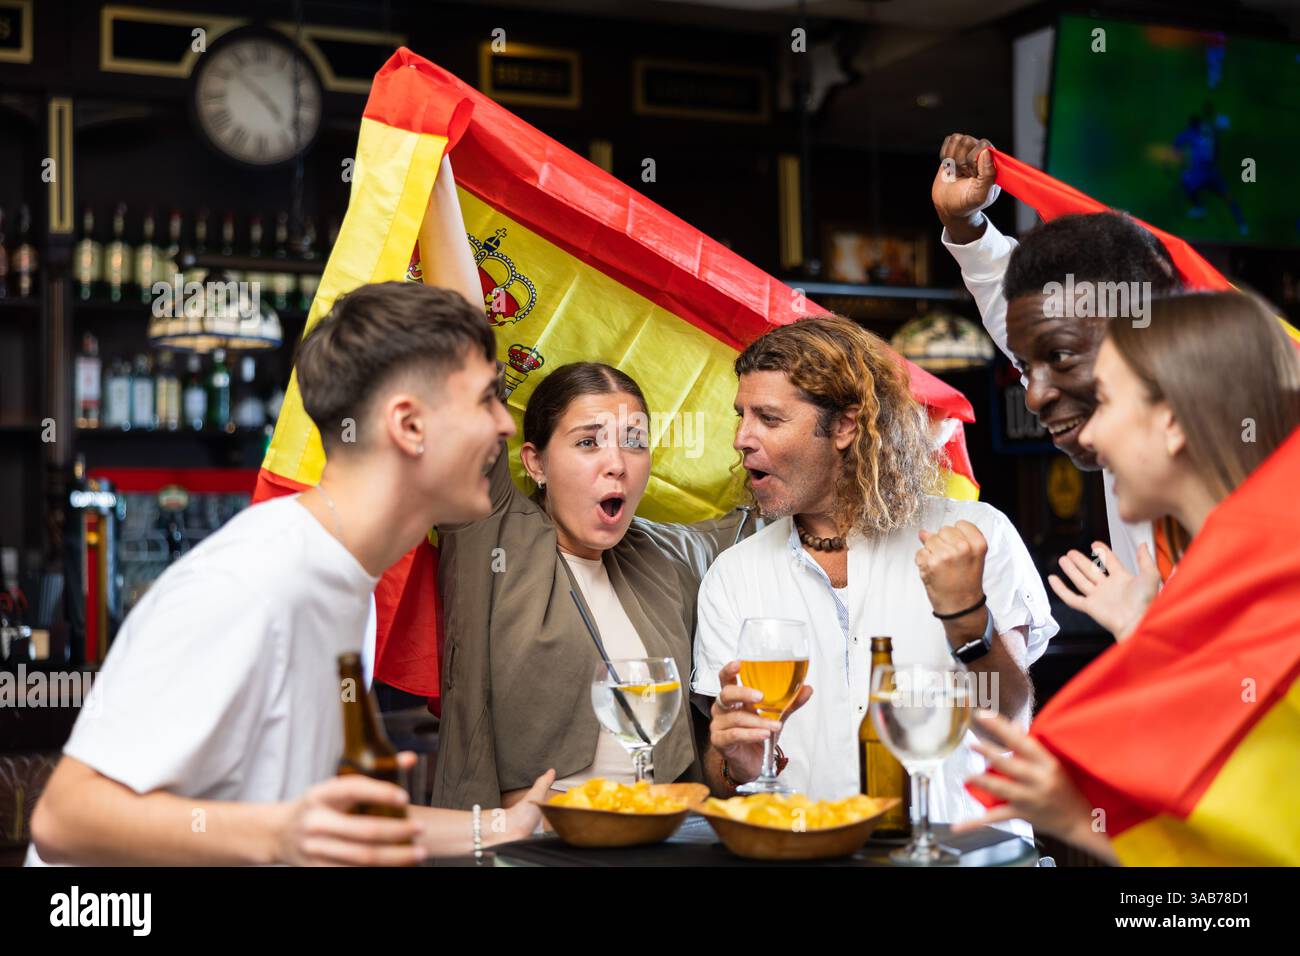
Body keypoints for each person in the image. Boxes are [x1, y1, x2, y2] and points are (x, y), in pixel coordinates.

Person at [29, 278, 553, 866]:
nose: (506, 426)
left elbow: (320, 816)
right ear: (408, 425)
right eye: (486, 399)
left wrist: (508, 825)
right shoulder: (253, 581)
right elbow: (64, 815)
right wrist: (279, 837)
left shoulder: (350, 580)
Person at [423, 160, 757, 812]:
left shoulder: (672, 554)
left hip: (665, 849)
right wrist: (433, 168)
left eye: (634, 441)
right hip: (525, 854)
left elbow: (776, 498)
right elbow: (465, 364)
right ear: (534, 462)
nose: (617, 463)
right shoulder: (491, 532)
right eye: (587, 442)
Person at [957, 291, 1300, 862]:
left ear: (1170, 423)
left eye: (1106, 403)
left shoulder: (1272, 583)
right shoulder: (1243, 569)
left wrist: (1079, 821)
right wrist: (1148, 636)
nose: (1088, 436)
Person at [693, 316, 1058, 837]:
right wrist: (738, 762)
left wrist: (967, 617)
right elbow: (725, 782)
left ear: (845, 426)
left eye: (769, 419)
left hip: (963, 856)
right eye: (741, 416)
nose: (741, 439)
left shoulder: (975, 534)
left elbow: (1008, 718)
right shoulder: (733, 575)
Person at [931, 133, 1185, 578]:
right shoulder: (1125, 427)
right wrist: (964, 225)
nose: (1033, 397)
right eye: (1028, 368)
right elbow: (1027, 314)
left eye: (1061, 358)